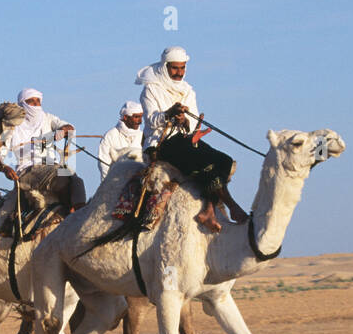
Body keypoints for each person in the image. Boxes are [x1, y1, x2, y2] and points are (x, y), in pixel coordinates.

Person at [136, 45, 246, 232]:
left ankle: (209, 209)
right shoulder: (151, 90)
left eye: (182, 68)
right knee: (206, 165)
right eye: (175, 68)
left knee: (224, 161)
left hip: (185, 139)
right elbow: (152, 120)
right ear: (165, 67)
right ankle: (232, 206)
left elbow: (192, 120)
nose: (179, 73)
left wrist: (184, 120)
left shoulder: (187, 90)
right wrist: (169, 114)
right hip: (160, 143)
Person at [2, 87, 85, 211]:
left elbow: (69, 127)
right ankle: (71, 214)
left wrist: (62, 130)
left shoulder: (47, 118)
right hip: (27, 170)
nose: (36, 104)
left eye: (38, 101)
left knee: (77, 181)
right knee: (63, 175)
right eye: (31, 101)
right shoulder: (12, 126)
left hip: (50, 165)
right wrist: (5, 167)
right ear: (22, 104)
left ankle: (79, 216)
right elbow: (0, 152)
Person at [96, 101, 143, 181]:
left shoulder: (143, 136)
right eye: (136, 117)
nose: (140, 121)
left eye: (141, 117)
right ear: (125, 117)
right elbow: (103, 163)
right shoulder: (110, 136)